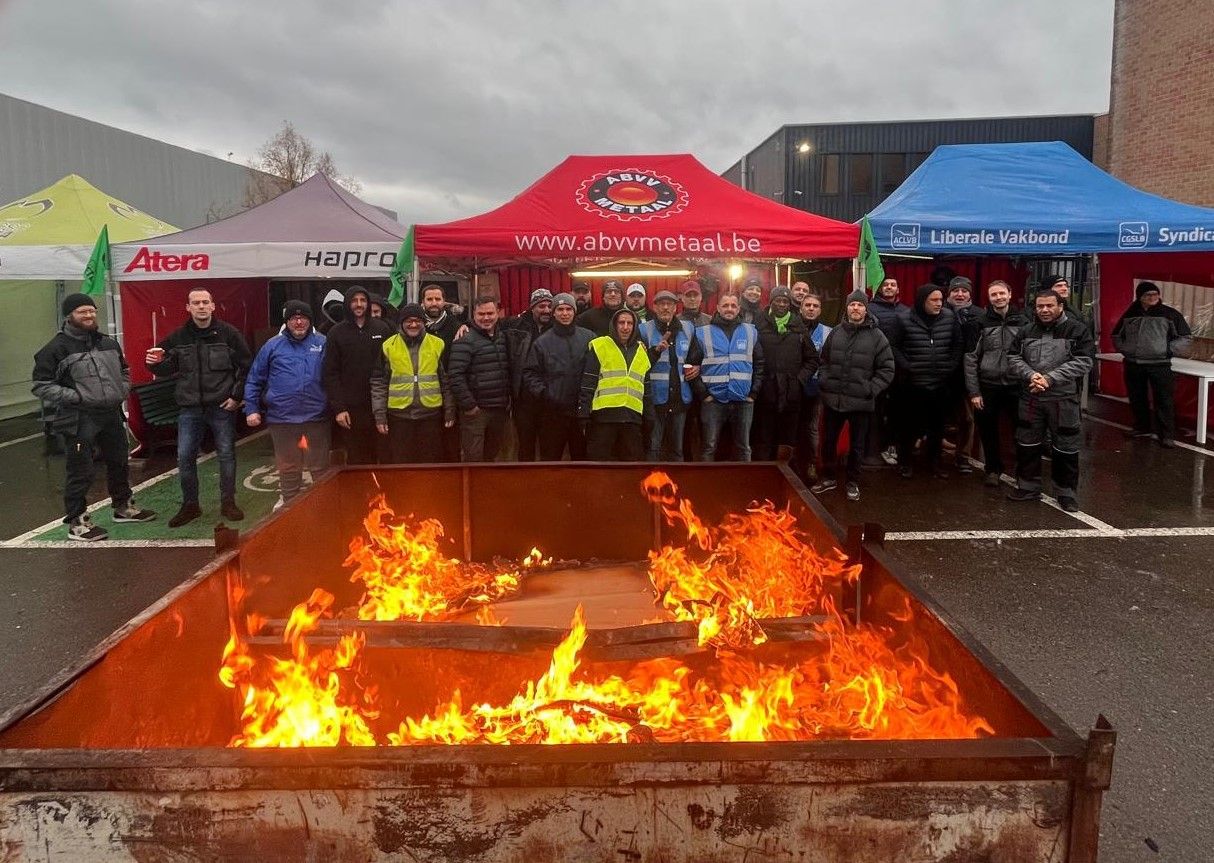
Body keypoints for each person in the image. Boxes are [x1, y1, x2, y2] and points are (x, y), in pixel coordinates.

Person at [32, 293, 155, 541]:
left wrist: (121, 389)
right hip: (79, 418)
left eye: (92, 311)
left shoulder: (108, 343)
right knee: (81, 470)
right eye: (82, 312)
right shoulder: (55, 349)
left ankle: (123, 508)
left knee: (119, 461)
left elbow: (124, 370)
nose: (89, 315)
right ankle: (77, 523)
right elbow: (41, 385)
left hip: (110, 414)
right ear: (69, 316)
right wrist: (76, 396)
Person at [147, 288, 252, 527]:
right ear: (188, 308)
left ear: (213, 306)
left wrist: (237, 396)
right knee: (185, 457)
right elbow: (164, 367)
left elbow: (246, 366)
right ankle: (190, 505)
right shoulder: (177, 337)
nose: (202, 306)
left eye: (206, 302)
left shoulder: (229, 334)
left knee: (226, 456)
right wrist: (152, 364)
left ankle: (228, 502)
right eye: (196, 303)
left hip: (221, 406)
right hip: (190, 408)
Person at [1006, 290, 1094, 511]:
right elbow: (1012, 357)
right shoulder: (1026, 330)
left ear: (1060, 306)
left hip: (1062, 400)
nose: (1044, 310)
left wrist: (1049, 379)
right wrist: (1030, 375)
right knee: (1027, 443)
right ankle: (1027, 487)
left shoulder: (1077, 330)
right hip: (1031, 399)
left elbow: (1084, 361)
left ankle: (1066, 493)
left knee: (1066, 447)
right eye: (1040, 306)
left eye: (1049, 306)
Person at [244, 301, 330, 507]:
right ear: (287, 321)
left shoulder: (323, 343)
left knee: (320, 468)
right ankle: (290, 507)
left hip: (316, 418)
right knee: (289, 468)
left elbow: (335, 376)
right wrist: (251, 409)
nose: (299, 322)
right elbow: (255, 379)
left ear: (310, 321)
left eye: (303, 318)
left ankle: (324, 507)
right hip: (282, 420)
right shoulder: (272, 346)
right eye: (294, 318)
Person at [811, 291, 895, 501]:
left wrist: (871, 389)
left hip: (861, 402)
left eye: (859, 305)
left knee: (857, 447)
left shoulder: (877, 336)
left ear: (866, 309)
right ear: (847, 308)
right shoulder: (836, 332)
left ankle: (852, 482)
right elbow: (824, 361)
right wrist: (825, 380)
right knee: (828, 442)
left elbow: (887, 369)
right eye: (852, 305)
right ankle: (828, 477)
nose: (855, 308)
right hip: (833, 399)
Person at [892, 284, 962, 478]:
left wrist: (950, 366)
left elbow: (957, 345)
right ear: (922, 300)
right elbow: (894, 347)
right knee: (908, 427)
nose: (939, 304)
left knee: (937, 428)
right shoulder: (904, 318)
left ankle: (934, 463)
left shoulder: (949, 317)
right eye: (934, 300)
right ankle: (905, 462)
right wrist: (907, 366)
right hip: (913, 385)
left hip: (940, 384)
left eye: (941, 300)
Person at [371, 303, 455, 464]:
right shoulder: (388, 346)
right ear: (401, 323)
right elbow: (379, 383)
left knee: (430, 463)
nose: (414, 324)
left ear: (424, 322)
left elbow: (447, 381)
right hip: (399, 417)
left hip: (430, 416)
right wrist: (380, 416)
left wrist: (450, 409)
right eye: (409, 320)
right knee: (402, 464)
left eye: (418, 320)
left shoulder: (438, 344)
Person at [1112, 281, 1193, 447]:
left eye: (1155, 294)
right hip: (1133, 363)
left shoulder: (1170, 314)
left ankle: (1166, 435)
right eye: (1148, 295)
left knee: (1164, 400)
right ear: (1140, 297)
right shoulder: (1130, 314)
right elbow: (1116, 335)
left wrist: (1168, 350)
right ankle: (1142, 427)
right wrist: (1126, 350)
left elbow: (1185, 337)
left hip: (1160, 364)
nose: (1152, 298)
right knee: (1137, 398)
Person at [321, 285, 394, 466]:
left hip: (381, 406)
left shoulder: (383, 328)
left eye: (363, 300)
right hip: (351, 410)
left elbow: (392, 365)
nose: (359, 304)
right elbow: (331, 373)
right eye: (354, 300)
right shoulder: (336, 333)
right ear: (347, 304)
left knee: (385, 456)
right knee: (357, 459)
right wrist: (339, 408)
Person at [964, 280, 1027, 485]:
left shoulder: (1025, 321)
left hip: (1017, 385)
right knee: (988, 431)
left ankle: (1023, 472)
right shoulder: (980, 323)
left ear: (1010, 294)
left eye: (1001, 293)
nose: (998, 298)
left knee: (1022, 431)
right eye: (994, 295)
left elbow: (1032, 354)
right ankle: (993, 469)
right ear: (988, 298)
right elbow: (971, 358)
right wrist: (974, 392)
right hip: (988, 385)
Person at [523, 293, 594, 460]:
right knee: (550, 460)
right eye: (560, 309)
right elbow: (529, 373)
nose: (564, 313)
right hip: (552, 414)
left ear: (574, 312)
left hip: (581, 413)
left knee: (582, 460)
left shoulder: (589, 338)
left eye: (569, 309)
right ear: (553, 313)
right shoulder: (542, 342)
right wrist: (545, 394)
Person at [752, 286, 819, 460]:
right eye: (778, 301)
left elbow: (812, 359)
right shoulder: (758, 324)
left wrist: (799, 380)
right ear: (771, 302)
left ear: (790, 304)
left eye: (785, 301)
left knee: (788, 436)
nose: (781, 304)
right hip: (766, 391)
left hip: (792, 393)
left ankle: (785, 475)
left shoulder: (799, 326)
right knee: (764, 434)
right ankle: (764, 473)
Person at [696, 293, 765, 461]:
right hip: (713, 401)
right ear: (718, 308)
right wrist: (704, 394)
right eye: (725, 305)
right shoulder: (702, 333)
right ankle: (705, 485)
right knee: (709, 447)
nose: (729, 309)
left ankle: (745, 486)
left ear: (738, 309)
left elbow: (760, 363)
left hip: (743, 400)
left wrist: (753, 393)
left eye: (733, 306)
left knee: (744, 448)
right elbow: (691, 366)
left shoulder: (750, 332)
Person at [637, 290, 703, 461]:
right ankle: (651, 486)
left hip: (681, 398)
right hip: (654, 399)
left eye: (670, 304)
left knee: (677, 449)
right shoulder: (644, 330)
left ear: (676, 307)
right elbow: (637, 365)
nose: (665, 308)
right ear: (654, 307)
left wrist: (698, 367)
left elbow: (696, 356)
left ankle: (676, 486)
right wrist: (656, 351)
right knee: (654, 447)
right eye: (661, 304)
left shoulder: (688, 328)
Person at [578, 308, 649, 461]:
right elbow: (588, 383)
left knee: (632, 468)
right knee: (599, 467)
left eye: (629, 323)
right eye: (621, 322)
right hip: (604, 418)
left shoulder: (642, 351)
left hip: (632, 419)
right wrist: (583, 413)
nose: (625, 327)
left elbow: (646, 388)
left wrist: (649, 417)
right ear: (614, 325)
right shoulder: (600, 345)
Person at [448, 296, 511, 462]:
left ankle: (488, 487)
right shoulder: (464, 339)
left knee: (492, 455)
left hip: (499, 408)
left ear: (498, 313)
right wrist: (469, 405)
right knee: (473, 457)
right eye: (481, 314)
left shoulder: (503, 337)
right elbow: (455, 375)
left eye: (490, 313)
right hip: (476, 411)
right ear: (473, 315)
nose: (486, 318)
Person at [502, 288, 554, 460]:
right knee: (525, 444)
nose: (546, 310)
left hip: (549, 397)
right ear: (532, 307)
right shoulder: (515, 326)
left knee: (548, 444)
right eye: (541, 306)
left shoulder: (557, 327)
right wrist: (465, 325)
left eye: (549, 306)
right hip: (523, 398)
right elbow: (489, 322)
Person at [867, 276, 907, 466]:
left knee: (897, 411)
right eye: (885, 285)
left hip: (899, 370)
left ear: (898, 289)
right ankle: (873, 448)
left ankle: (892, 445)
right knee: (875, 410)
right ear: (879, 288)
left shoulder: (906, 311)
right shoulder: (869, 309)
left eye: (893, 284)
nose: (889, 287)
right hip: (876, 370)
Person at [945, 276, 980, 474]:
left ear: (969, 293)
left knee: (967, 419)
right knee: (937, 417)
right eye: (955, 291)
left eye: (963, 291)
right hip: (943, 375)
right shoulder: (939, 313)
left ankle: (963, 456)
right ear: (949, 293)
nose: (959, 294)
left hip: (967, 377)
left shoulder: (979, 315)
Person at [795, 292, 831, 481]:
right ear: (800, 308)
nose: (811, 308)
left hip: (816, 388)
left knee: (812, 428)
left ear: (820, 310)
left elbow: (831, 362)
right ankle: (791, 464)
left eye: (815, 306)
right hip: (794, 387)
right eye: (807, 305)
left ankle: (812, 463)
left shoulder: (828, 332)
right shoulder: (792, 328)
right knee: (793, 426)